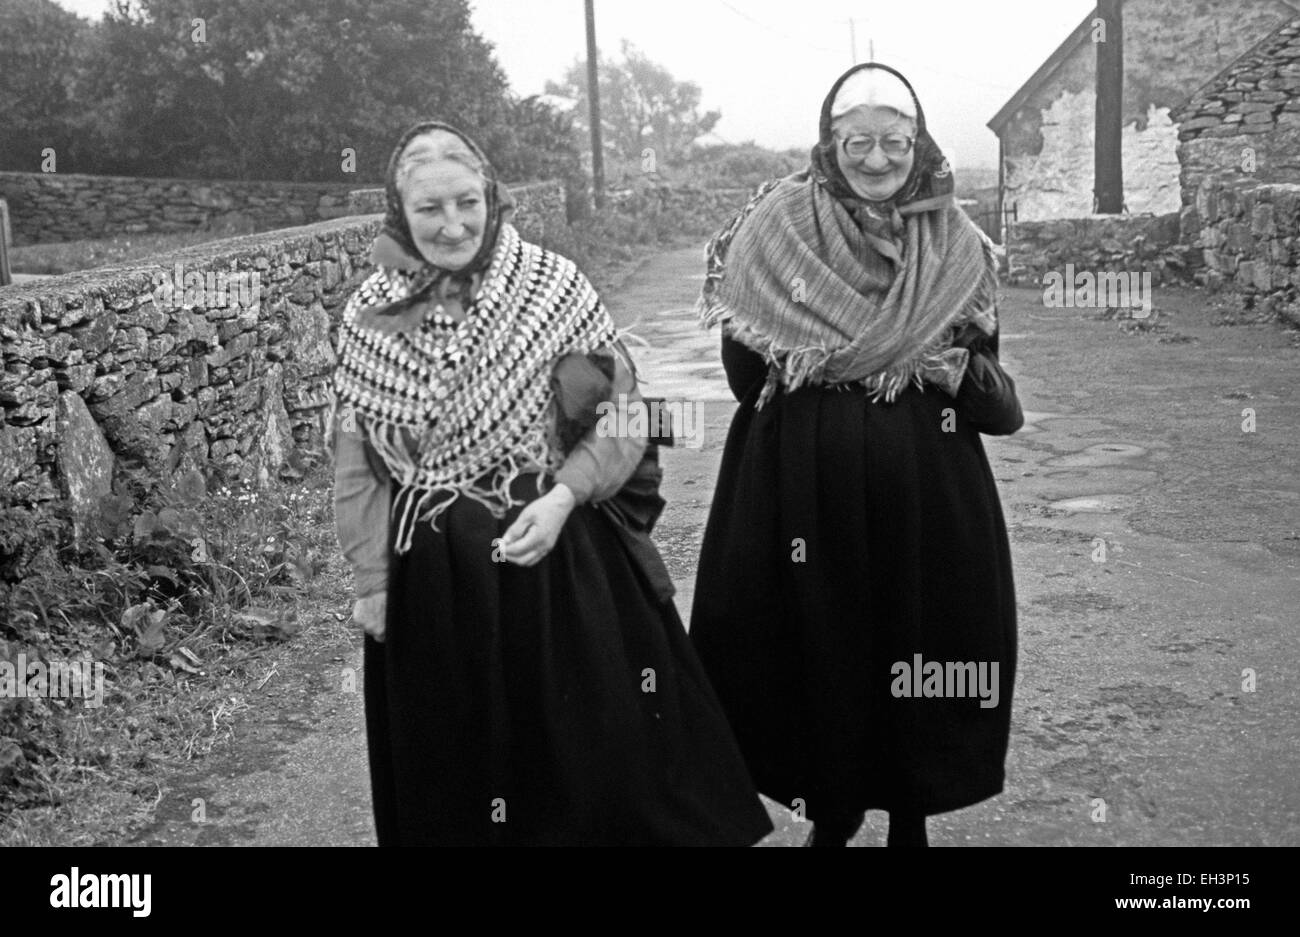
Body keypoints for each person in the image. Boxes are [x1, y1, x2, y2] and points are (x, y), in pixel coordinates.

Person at [331, 121, 773, 846]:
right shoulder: (371, 316)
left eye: (467, 201)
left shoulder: (551, 287)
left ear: (492, 195)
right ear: (397, 214)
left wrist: (566, 493)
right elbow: (358, 462)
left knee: (592, 761)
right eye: (430, 209)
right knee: (459, 770)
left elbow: (622, 414)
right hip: (437, 579)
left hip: (560, 557)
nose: (453, 224)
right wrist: (373, 581)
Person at [689, 64, 1021, 847]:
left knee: (919, 647)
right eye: (858, 142)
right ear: (829, 145)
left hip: (927, 496)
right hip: (795, 493)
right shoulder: (771, 229)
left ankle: (910, 814)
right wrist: (774, 314)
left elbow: (994, 393)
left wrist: (941, 363)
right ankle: (831, 809)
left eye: (894, 142)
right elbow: (746, 381)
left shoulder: (956, 244)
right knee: (813, 649)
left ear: (921, 142)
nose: (877, 159)